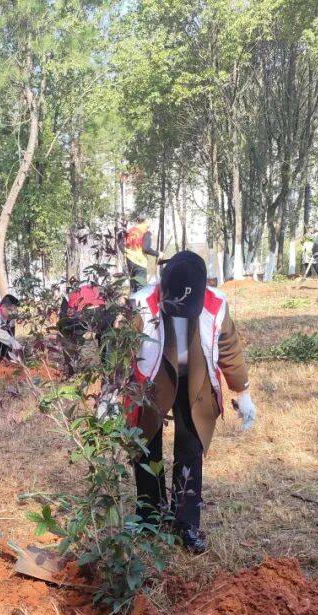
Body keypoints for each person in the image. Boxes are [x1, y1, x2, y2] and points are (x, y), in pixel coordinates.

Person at [125, 250, 256, 554]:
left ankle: (186, 523)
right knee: (145, 444)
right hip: (155, 375)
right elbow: (122, 352)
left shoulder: (215, 303)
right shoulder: (142, 304)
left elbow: (229, 347)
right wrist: (110, 393)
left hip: (195, 377)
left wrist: (243, 392)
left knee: (191, 447)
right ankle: (149, 516)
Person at [58, 278, 112, 376]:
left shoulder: (71, 290)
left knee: (67, 336)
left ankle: (72, 371)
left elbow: (63, 323)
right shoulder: (99, 287)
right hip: (99, 311)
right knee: (106, 338)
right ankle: (108, 369)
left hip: (78, 315)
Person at [121, 218, 161, 291]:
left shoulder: (129, 231)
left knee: (133, 287)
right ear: (145, 221)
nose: (150, 223)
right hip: (140, 262)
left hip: (129, 261)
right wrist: (158, 253)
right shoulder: (145, 232)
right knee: (141, 288)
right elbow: (146, 249)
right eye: (150, 221)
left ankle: (133, 298)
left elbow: (120, 244)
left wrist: (126, 253)